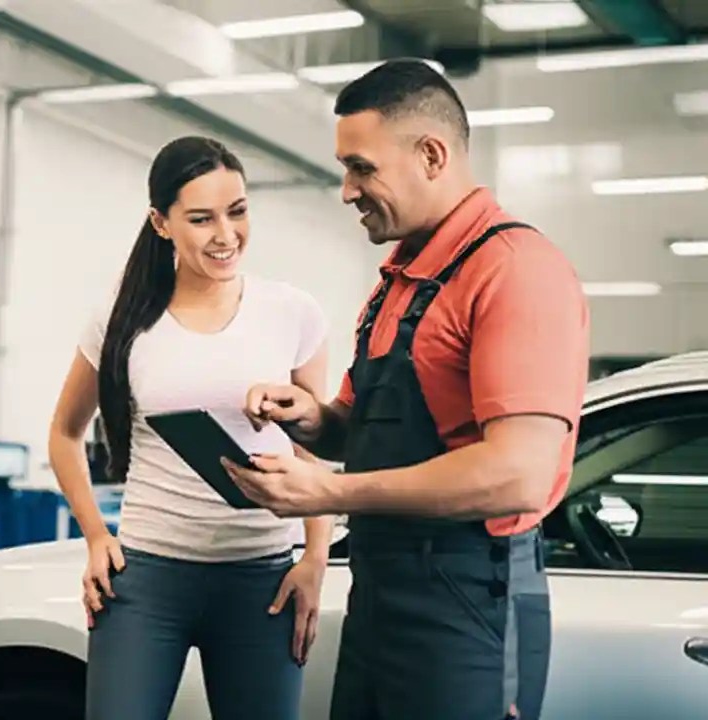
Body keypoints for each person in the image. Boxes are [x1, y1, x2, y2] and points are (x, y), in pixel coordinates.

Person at [223, 59, 590, 720]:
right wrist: (311, 419)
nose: (346, 190)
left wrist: (329, 493)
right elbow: (362, 424)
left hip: (470, 600)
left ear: (430, 155)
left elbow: (519, 476)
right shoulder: (401, 278)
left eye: (361, 168)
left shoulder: (516, 272)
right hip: (382, 593)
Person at [47, 135, 336, 720]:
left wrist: (314, 559)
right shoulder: (123, 319)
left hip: (263, 581)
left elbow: (315, 448)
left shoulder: (292, 312)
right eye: (201, 219)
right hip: (147, 577)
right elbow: (64, 432)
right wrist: (97, 535)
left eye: (238, 211)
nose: (225, 235)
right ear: (161, 222)